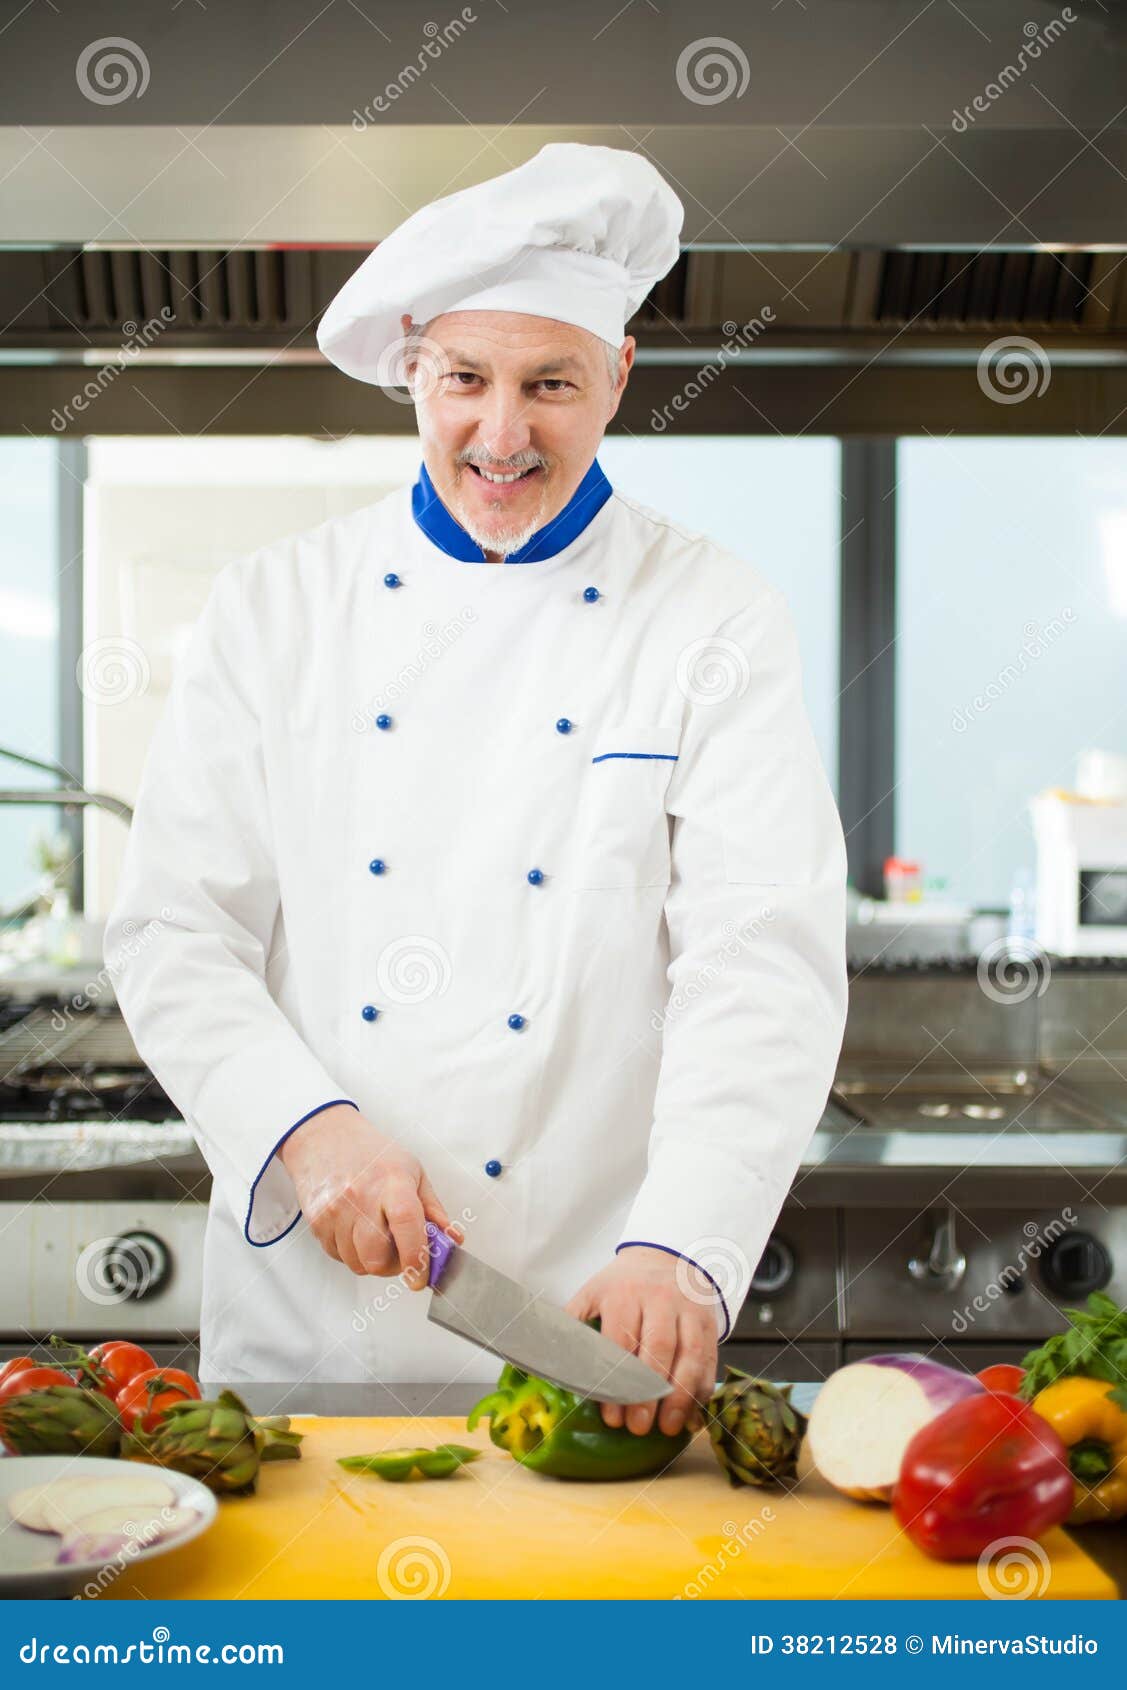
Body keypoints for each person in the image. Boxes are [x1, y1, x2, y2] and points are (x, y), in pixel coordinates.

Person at [104, 143, 847, 1439]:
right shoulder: (274, 609)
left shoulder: (714, 616)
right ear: (414, 373)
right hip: (314, 1320)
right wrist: (304, 1128)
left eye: (550, 382)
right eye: (465, 379)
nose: (502, 436)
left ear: (620, 375)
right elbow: (176, 928)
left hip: (589, 1305)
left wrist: (682, 1241)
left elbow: (760, 960)